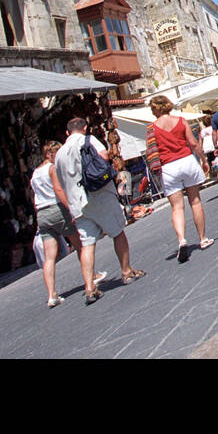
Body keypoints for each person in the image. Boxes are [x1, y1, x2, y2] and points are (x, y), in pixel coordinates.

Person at [55, 117, 144, 304]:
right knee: (118, 232)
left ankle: (89, 287)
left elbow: (61, 181)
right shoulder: (88, 140)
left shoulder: (60, 154)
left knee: (87, 244)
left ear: (67, 132)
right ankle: (126, 271)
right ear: (85, 128)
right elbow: (104, 156)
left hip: (77, 203)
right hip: (99, 195)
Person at [148, 95, 213, 262]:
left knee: (177, 208)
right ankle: (203, 238)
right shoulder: (181, 121)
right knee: (195, 201)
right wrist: (204, 159)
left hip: (168, 167)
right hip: (186, 161)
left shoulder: (152, 128)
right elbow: (193, 143)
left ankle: (182, 240)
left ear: (156, 109)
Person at [31, 141, 87, 308]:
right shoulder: (51, 169)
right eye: (55, 153)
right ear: (48, 154)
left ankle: (51, 295)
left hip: (42, 214)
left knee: (49, 257)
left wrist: (38, 219)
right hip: (56, 209)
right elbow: (58, 190)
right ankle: (90, 277)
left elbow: (34, 200)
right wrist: (70, 209)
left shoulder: (34, 174)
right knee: (80, 245)